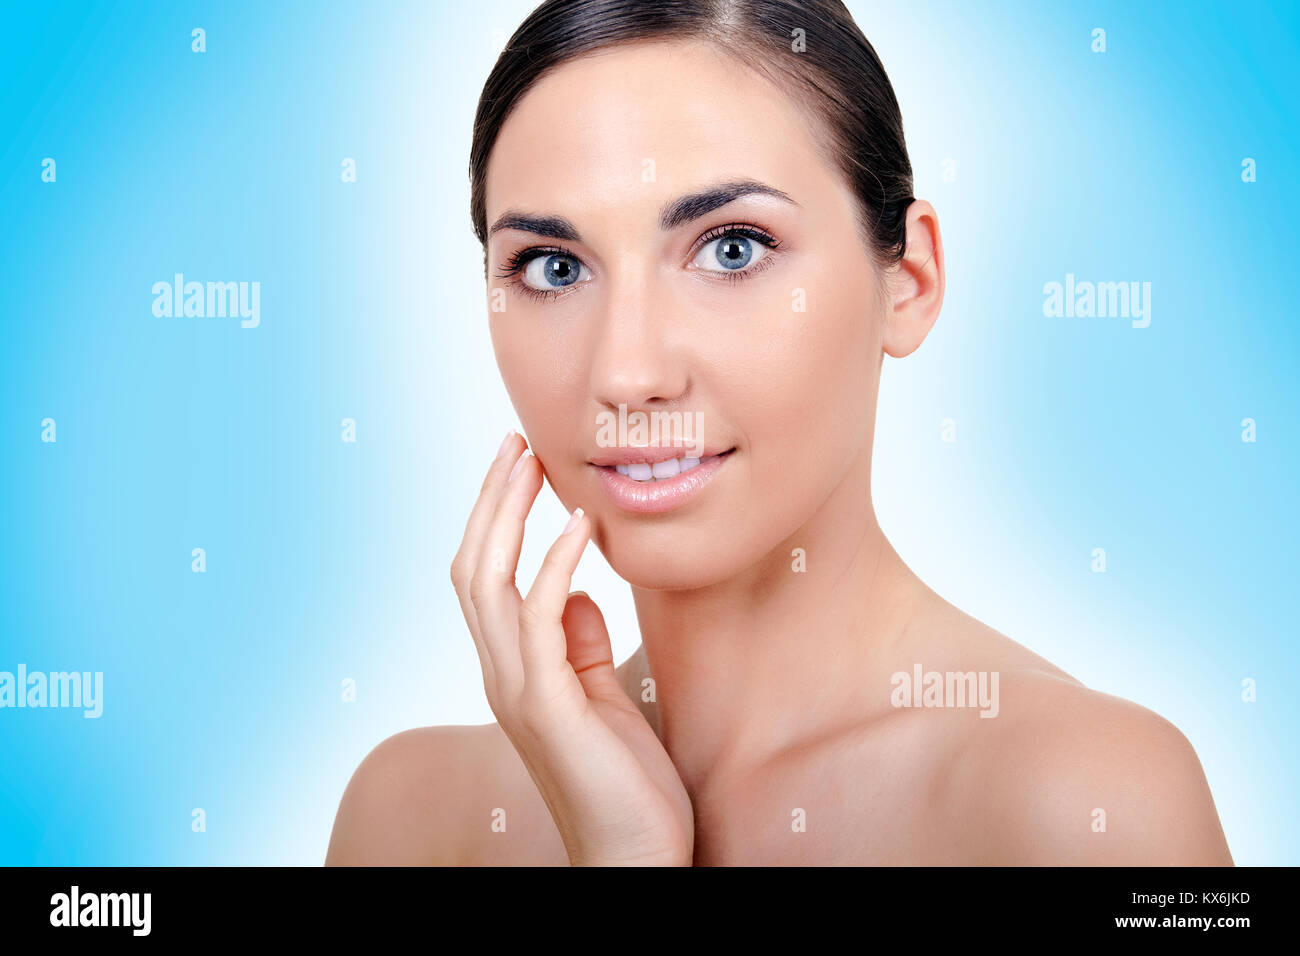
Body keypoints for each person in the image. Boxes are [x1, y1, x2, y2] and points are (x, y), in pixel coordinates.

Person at [327, 0, 1234, 866]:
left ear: (908, 282)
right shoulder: (412, 817)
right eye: (554, 267)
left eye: (733, 247)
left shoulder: (1093, 806)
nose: (628, 373)